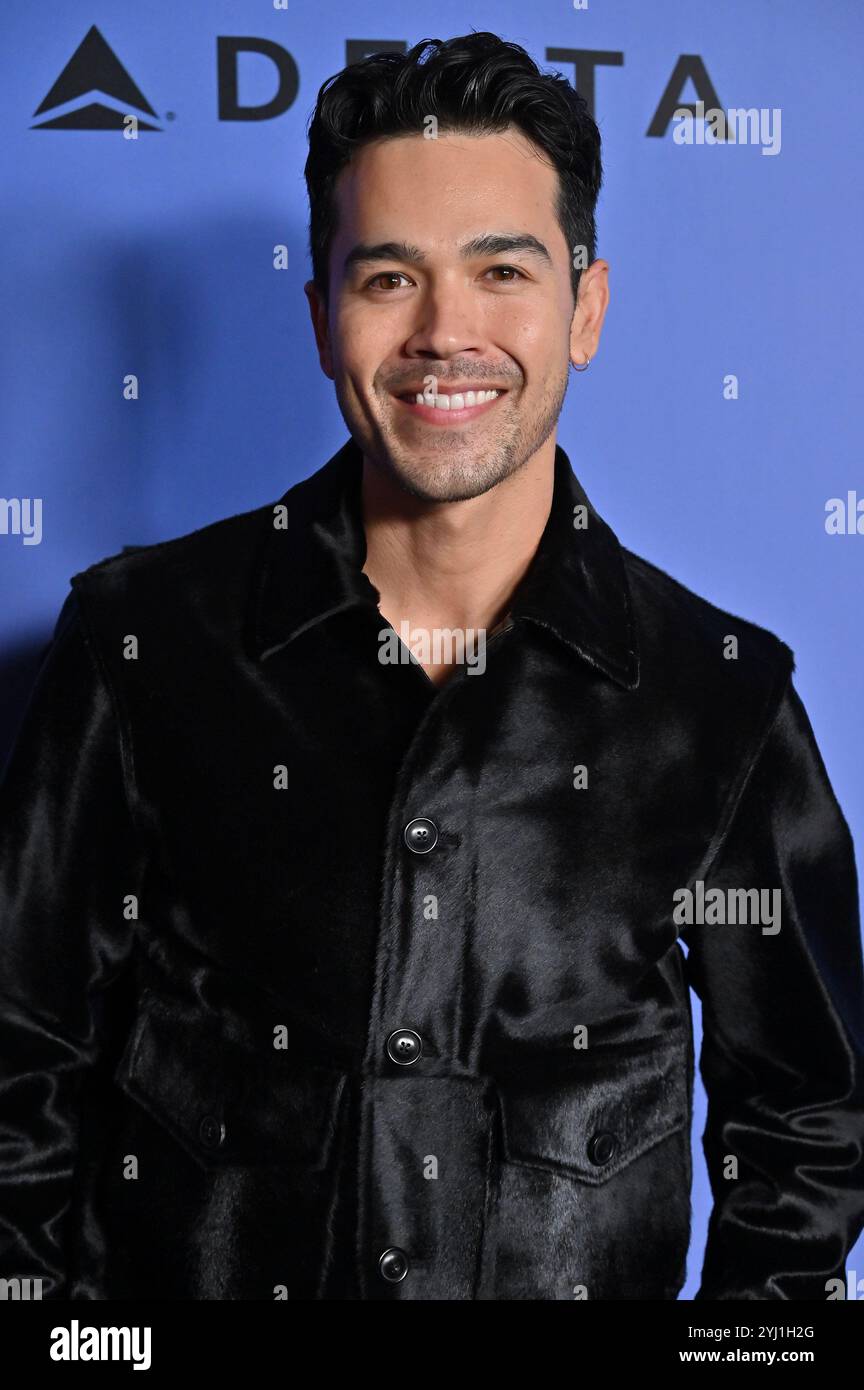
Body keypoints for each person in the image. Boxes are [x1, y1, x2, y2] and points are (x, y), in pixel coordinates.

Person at [1, 31, 862, 1302]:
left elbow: (804, 1123)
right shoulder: (142, 646)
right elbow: (20, 1069)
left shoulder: (719, 700)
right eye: (389, 276)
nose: (445, 332)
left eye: (501, 268)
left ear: (587, 307)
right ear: (322, 315)